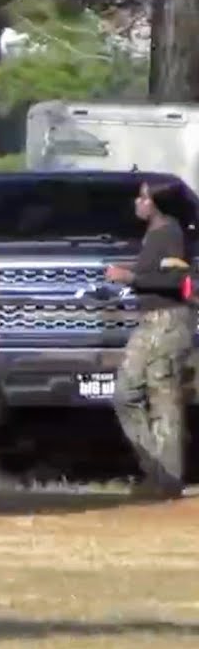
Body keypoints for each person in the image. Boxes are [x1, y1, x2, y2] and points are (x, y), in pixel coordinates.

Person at [107, 180, 196, 499]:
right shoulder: (156, 234)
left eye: (144, 197)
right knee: (129, 394)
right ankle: (158, 471)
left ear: (157, 202)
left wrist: (130, 277)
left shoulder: (170, 233)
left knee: (161, 398)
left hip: (167, 322)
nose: (138, 202)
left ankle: (167, 479)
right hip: (152, 321)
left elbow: (178, 280)